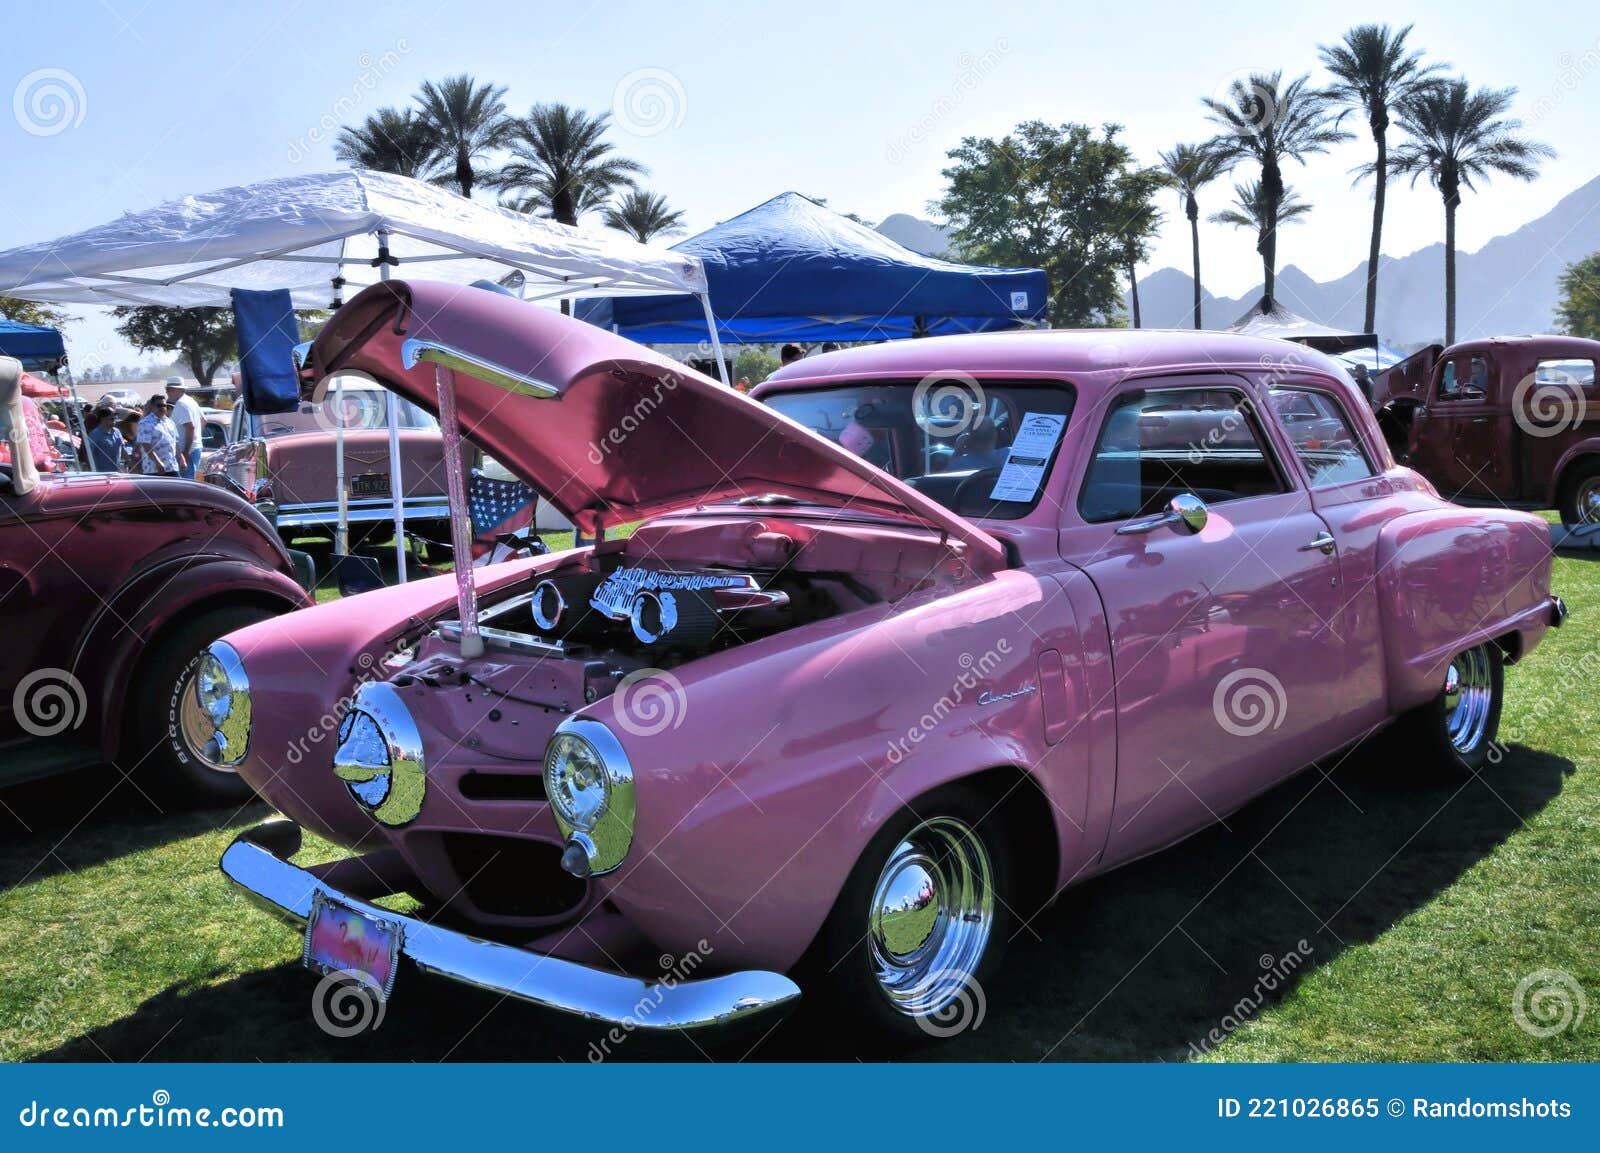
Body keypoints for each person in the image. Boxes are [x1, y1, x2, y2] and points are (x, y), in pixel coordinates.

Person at [165, 376, 203, 478]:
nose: (167, 393)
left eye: (168, 390)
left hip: (187, 451)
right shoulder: (191, 401)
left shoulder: (181, 404)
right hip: (194, 448)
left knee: (186, 485)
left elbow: (190, 427)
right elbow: (203, 420)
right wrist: (197, 438)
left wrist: (185, 452)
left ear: (175, 390)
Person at [135, 395, 181, 477]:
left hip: (172, 467)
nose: (162, 407)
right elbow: (146, 445)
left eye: (164, 405)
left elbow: (175, 442)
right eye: (159, 405)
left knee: (178, 489)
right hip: (154, 469)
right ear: (153, 407)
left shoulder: (170, 422)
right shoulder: (145, 423)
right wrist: (158, 462)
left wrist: (182, 459)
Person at [86, 406, 126, 472]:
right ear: (103, 419)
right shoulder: (95, 434)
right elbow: (89, 455)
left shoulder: (117, 432)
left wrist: (130, 462)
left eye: (115, 417)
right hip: (102, 474)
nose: (115, 419)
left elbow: (123, 449)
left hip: (117, 473)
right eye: (112, 418)